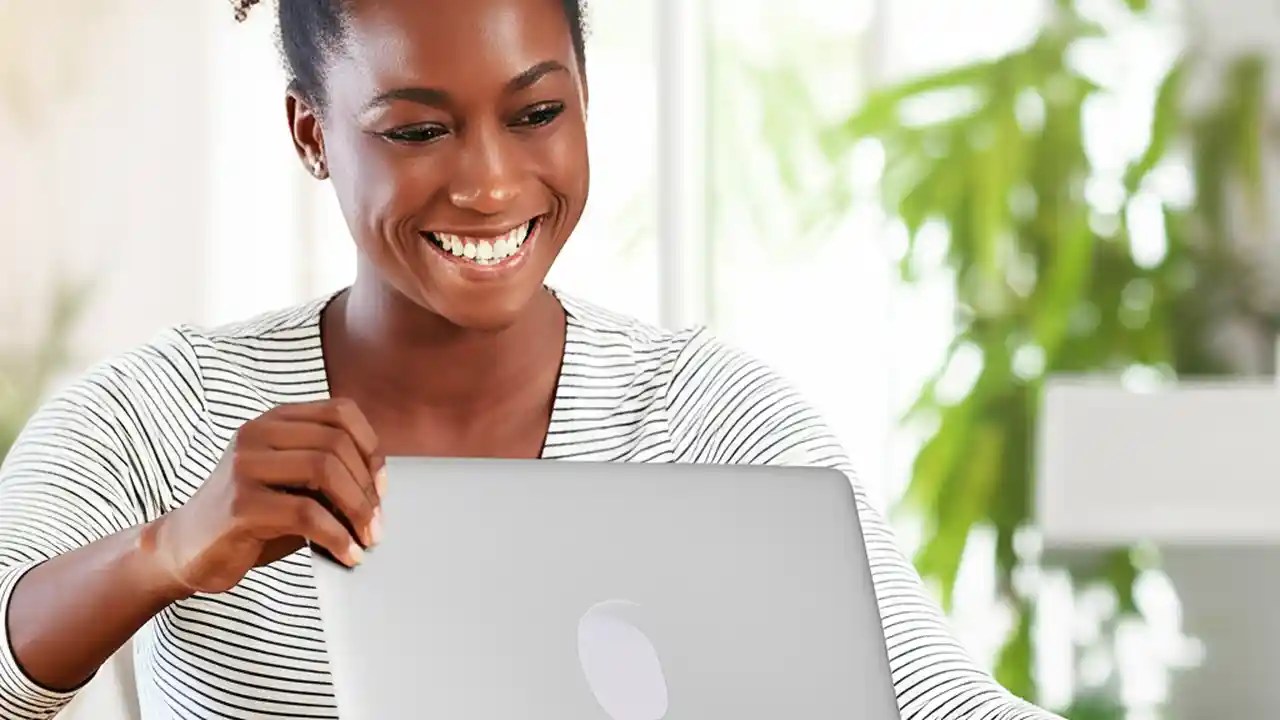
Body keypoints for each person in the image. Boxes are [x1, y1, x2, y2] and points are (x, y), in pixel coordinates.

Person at [0, 1, 1059, 718]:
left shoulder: (703, 416)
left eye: (537, 114)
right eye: (417, 131)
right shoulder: (161, 411)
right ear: (311, 134)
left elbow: (930, 701)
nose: (492, 186)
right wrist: (167, 551)